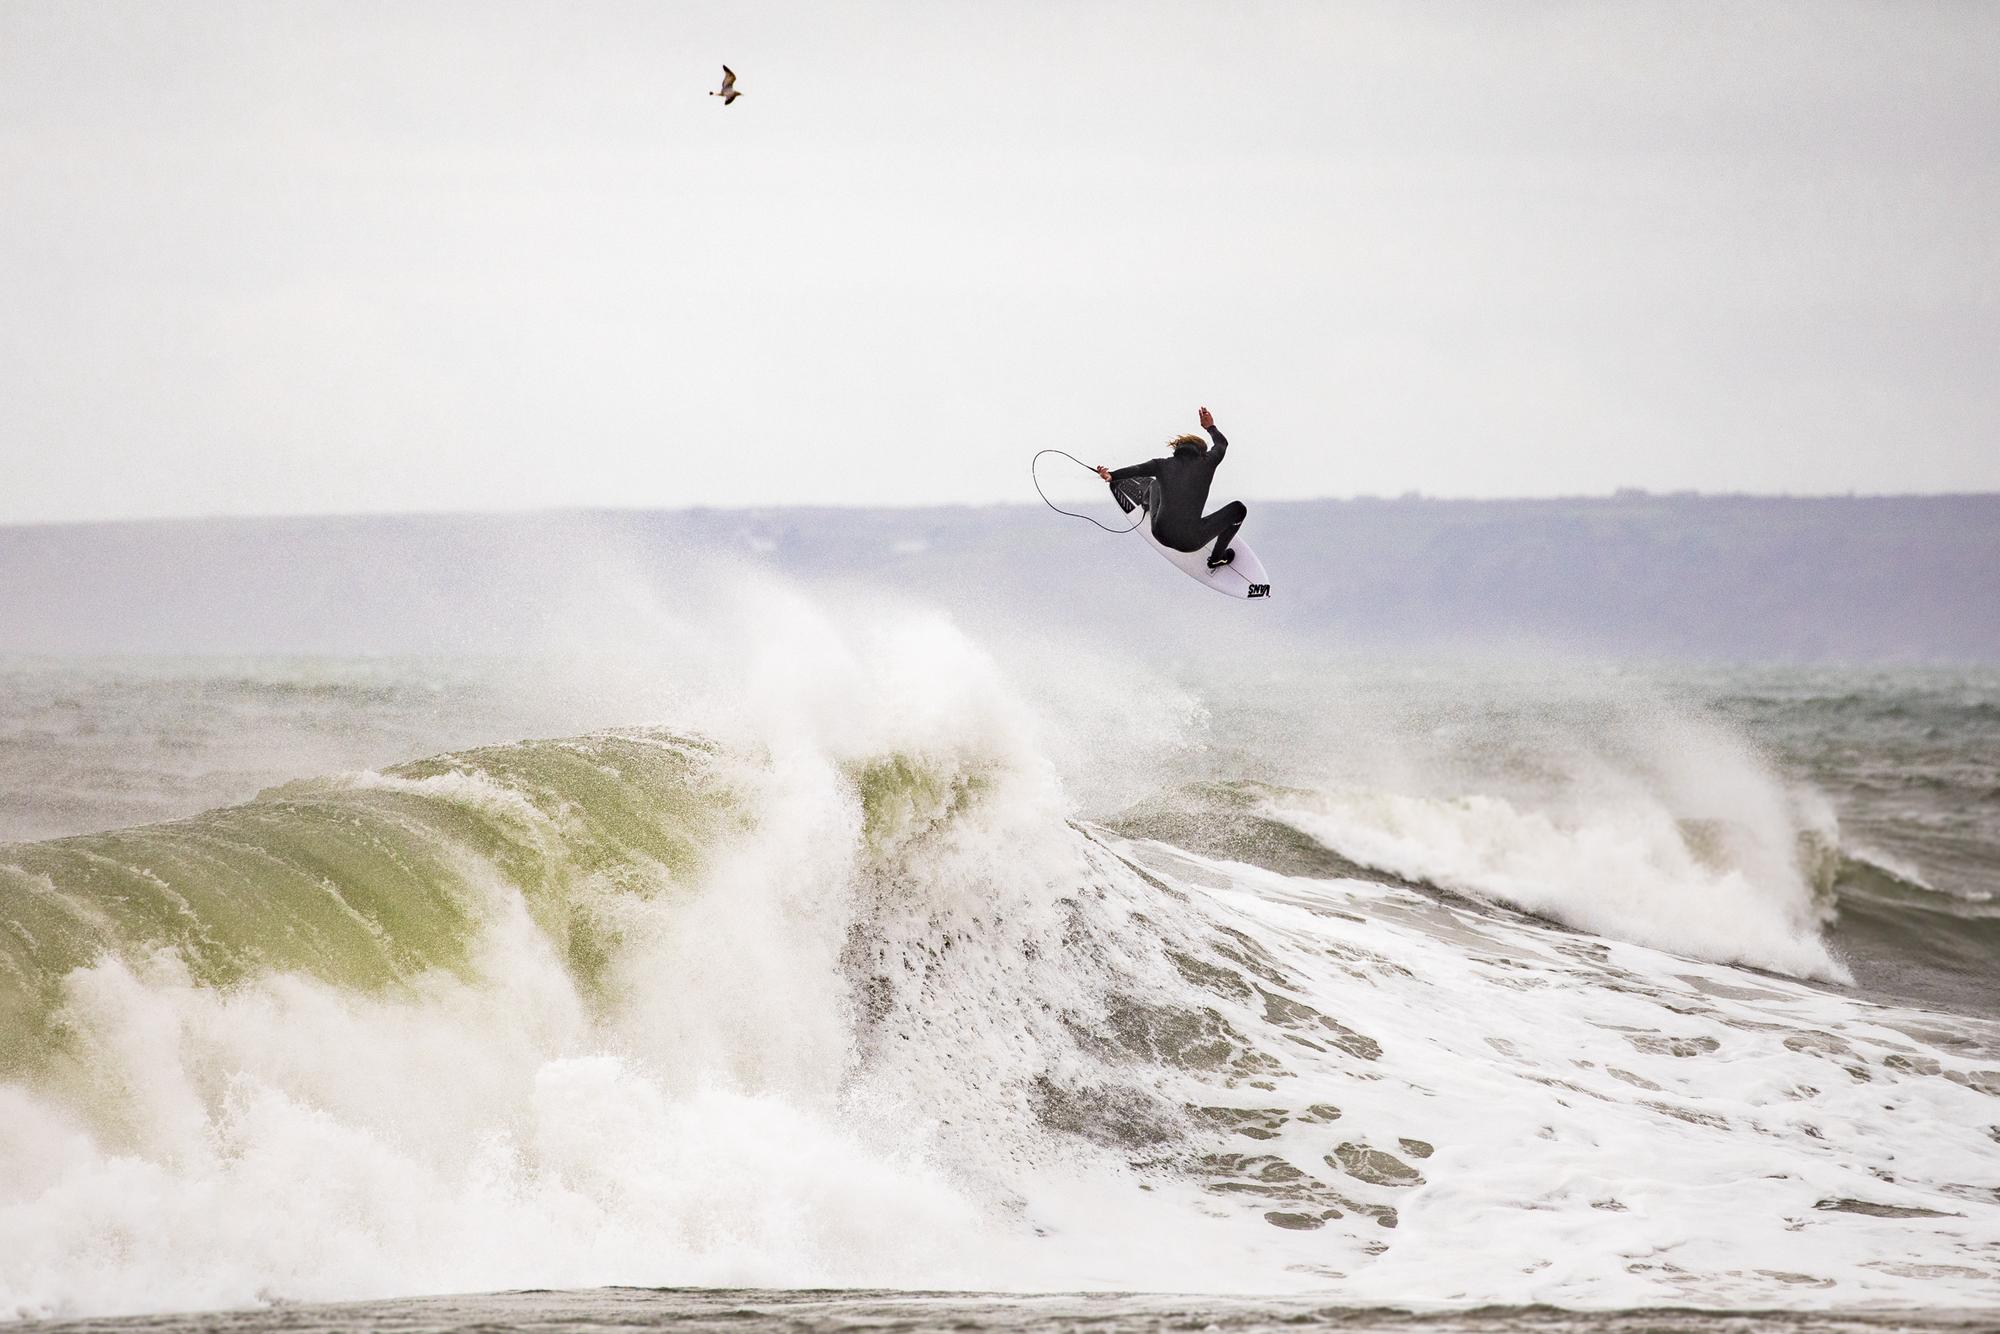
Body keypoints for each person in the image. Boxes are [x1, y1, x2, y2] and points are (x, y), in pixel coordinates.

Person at [1096, 406, 1247, 568]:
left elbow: (1138, 470)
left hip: (1160, 532)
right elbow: (1222, 444)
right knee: (1239, 509)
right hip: (1190, 541)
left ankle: (1146, 503)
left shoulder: (1162, 464)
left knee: (1154, 483)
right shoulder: (1208, 462)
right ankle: (1217, 558)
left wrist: (1111, 475)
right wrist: (1210, 427)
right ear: (1201, 452)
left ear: (1177, 449)